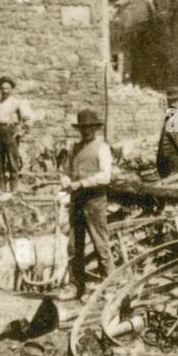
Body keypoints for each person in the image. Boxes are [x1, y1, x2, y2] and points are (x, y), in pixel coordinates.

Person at [62, 108, 115, 300]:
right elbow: (67, 171)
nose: (87, 131)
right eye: (83, 128)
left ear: (95, 128)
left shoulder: (102, 147)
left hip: (95, 200)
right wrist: (66, 181)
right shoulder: (74, 148)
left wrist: (82, 183)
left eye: (90, 128)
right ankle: (75, 286)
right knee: (74, 246)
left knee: (101, 243)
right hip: (77, 200)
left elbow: (105, 176)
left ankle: (108, 286)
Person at [0, 76, 36, 191]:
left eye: (8, 88)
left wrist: (20, 132)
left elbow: (29, 118)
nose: (5, 91)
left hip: (10, 132)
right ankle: (0, 187)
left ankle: (14, 188)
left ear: (11, 89)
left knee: (12, 161)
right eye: (3, 88)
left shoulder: (16, 102)